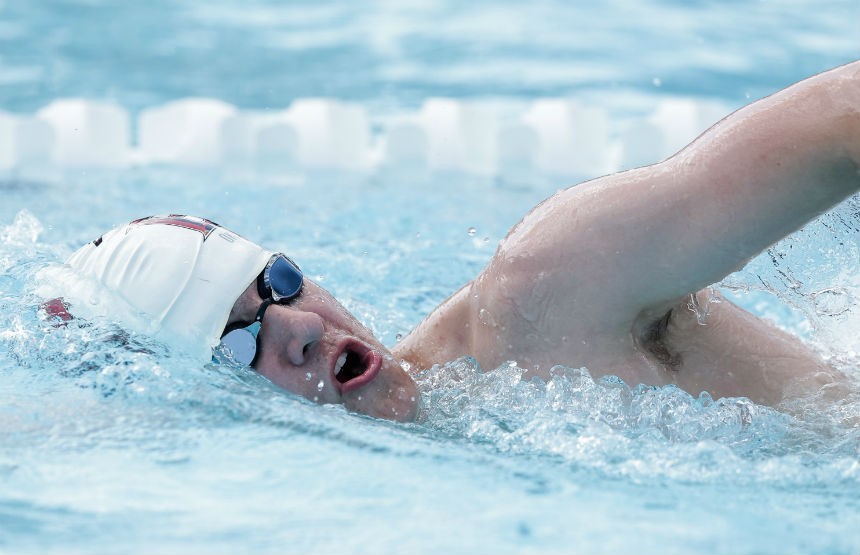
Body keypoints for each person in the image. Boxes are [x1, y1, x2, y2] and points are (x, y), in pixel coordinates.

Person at [62, 62, 860, 423]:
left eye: (280, 282)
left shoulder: (547, 290)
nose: (300, 327)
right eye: (240, 343)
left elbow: (840, 117)